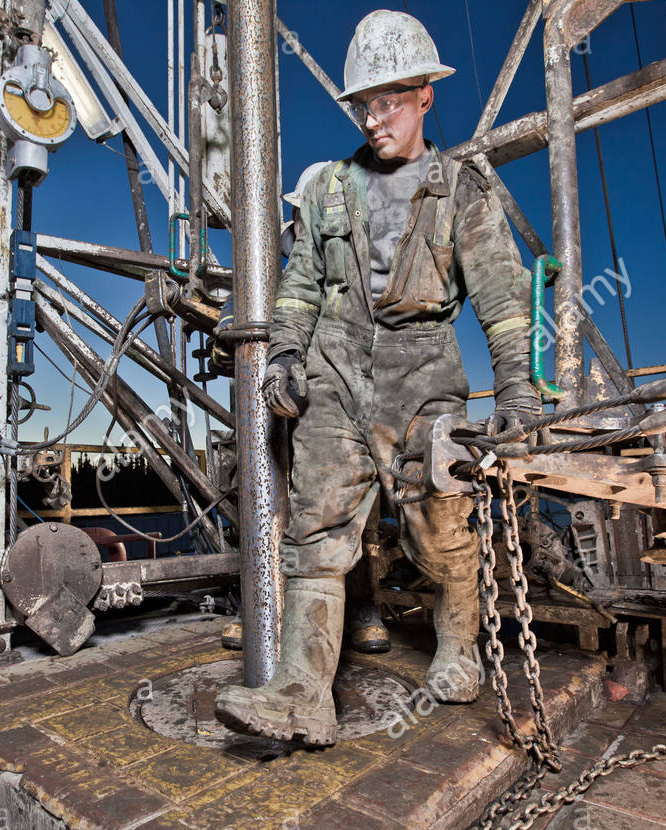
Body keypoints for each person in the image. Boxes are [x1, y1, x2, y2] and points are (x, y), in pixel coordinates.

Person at [214, 9, 539, 746]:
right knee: (318, 535)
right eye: (362, 104)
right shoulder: (328, 187)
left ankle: (458, 646)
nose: (372, 117)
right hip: (335, 374)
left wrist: (517, 387)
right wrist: (287, 357)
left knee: (438, 531)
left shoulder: (461, 188)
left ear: (426, 95)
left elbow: (500, 295)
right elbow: (298, 285)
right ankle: (302, 697)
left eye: (388, 101)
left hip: (423, 378)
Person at [218, 161, 392, 655]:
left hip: (342, 393)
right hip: (280, 399)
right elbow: (242, 308)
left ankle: (361, 609)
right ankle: (254, 605)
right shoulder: (268, 253)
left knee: (349, 502)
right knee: (258, 494)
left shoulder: (357, 249)